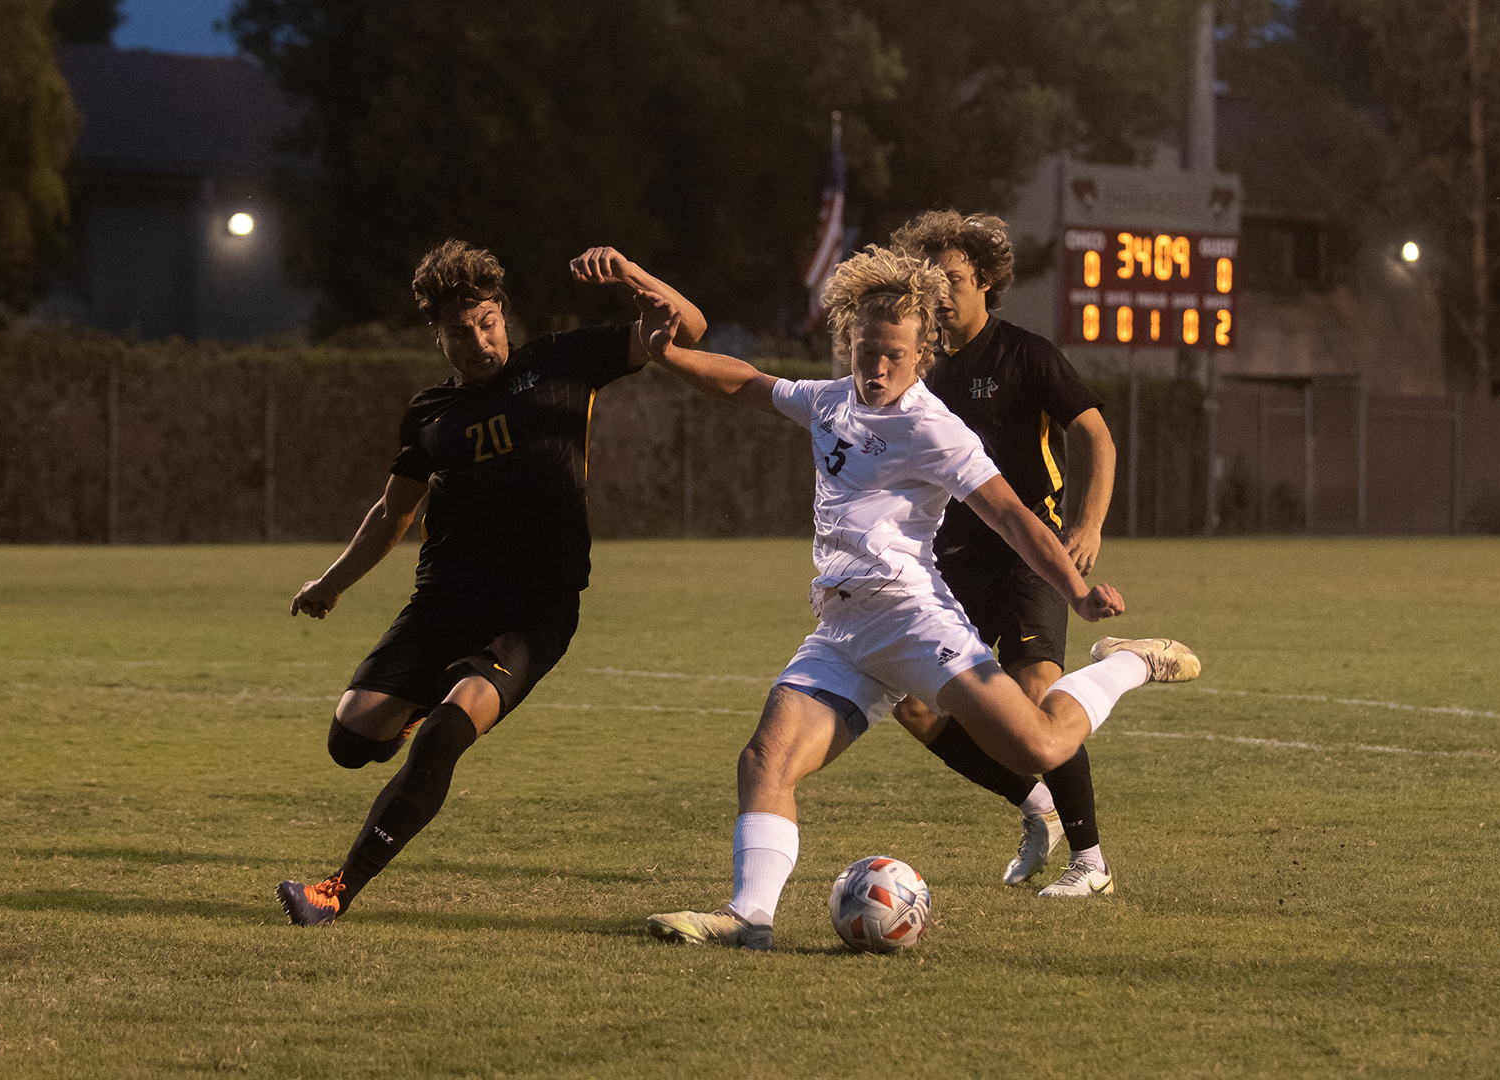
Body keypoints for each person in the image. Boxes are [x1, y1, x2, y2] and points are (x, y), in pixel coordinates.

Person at [637, 245, 1197, 950]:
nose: (878, 368)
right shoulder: (828, 400)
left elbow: (1013, 516)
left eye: (894, 355)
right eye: (868, 351)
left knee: (1041, 745)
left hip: (912, 620)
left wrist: (1077, 591)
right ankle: (750, 917)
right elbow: (745, 382)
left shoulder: (935, 428)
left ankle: (1130, 663)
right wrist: (668, 355)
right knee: (763, 760)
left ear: (922, 353)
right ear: (851, 342)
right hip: (840, 629)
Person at [277, 240, 706, 926]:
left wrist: (630, 276)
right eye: (458, 332)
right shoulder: (429, 414)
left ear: (503, 315)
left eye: (487, 324)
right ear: (437, 336)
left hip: (534, 610)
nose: (477, 342)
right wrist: (330, 584)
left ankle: (335, 891)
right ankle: (429, 695)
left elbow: (686, 328)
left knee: (444, 732)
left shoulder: (562, 361)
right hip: (443, 601)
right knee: (351, 740)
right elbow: (393, 513)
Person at [885, 210, 1123, 897]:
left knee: (1035, 694)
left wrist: (1090, 525)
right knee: (911, 703)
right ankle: (1036, 806)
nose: (940, 294)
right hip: (950, 559)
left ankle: (1091, 863)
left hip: (1029, 553)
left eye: (954, 280)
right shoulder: (919, 367)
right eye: (930, 282)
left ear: (986, 281)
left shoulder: (1027, 355)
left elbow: (1098, 438)